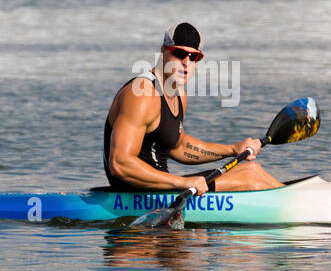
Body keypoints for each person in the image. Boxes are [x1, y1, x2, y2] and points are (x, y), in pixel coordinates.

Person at [103, 22, 281, 193]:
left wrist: (233, 149)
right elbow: (120, 163)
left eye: (194, 57)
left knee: (252, 169)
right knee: (249, 178)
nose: (186, 63)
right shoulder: (142, 94)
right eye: (180, 54)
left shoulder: (179, 96)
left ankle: (296, 197)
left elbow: (178, 147)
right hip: (133, 194)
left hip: (162, 187)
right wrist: (181, 182)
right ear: (163, 51)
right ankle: (297, 205)